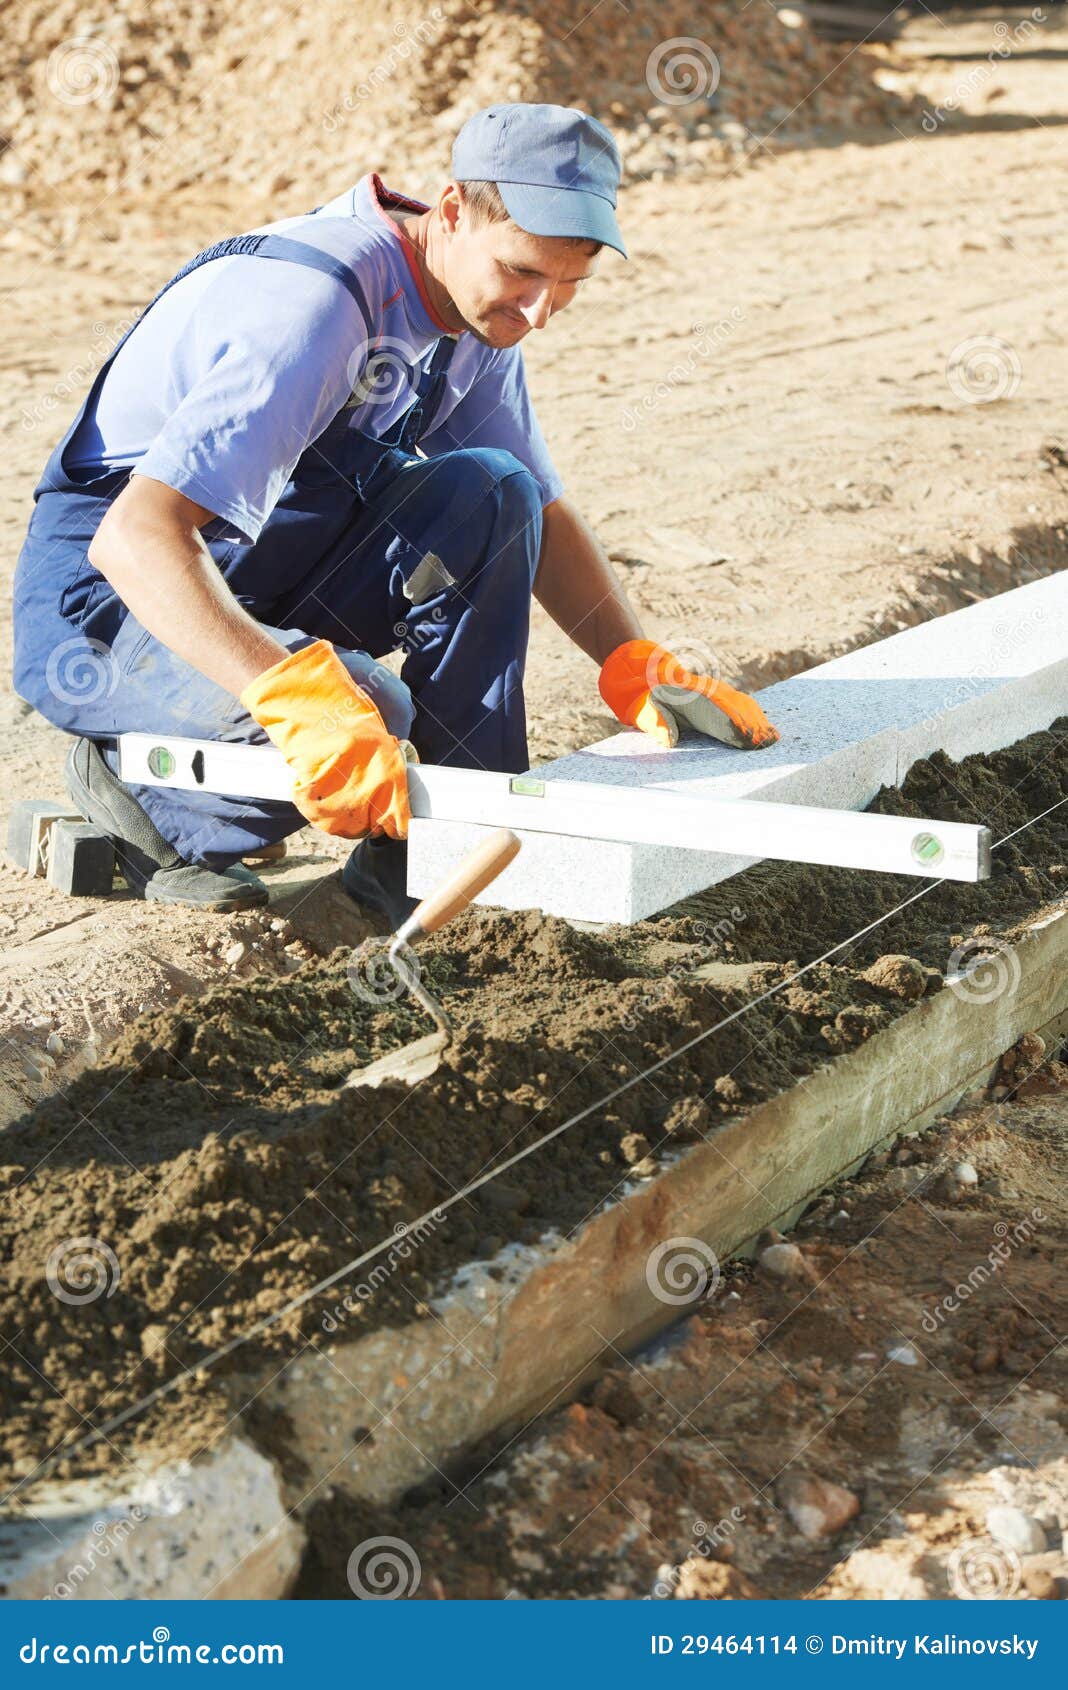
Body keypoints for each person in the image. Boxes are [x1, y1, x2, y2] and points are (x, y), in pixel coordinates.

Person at [13, 102, 779, 923]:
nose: (540, 312)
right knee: (365, 714)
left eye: (568, 285)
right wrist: (287, 692)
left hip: (250, 566)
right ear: (451, 211)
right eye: (523, 272)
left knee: (494, 494)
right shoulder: (317, 304)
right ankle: (141, 793)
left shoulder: (468, 310)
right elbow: (136, 537)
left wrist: (630, 660)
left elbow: (539, 513)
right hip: (108, 606)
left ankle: (446, 853)